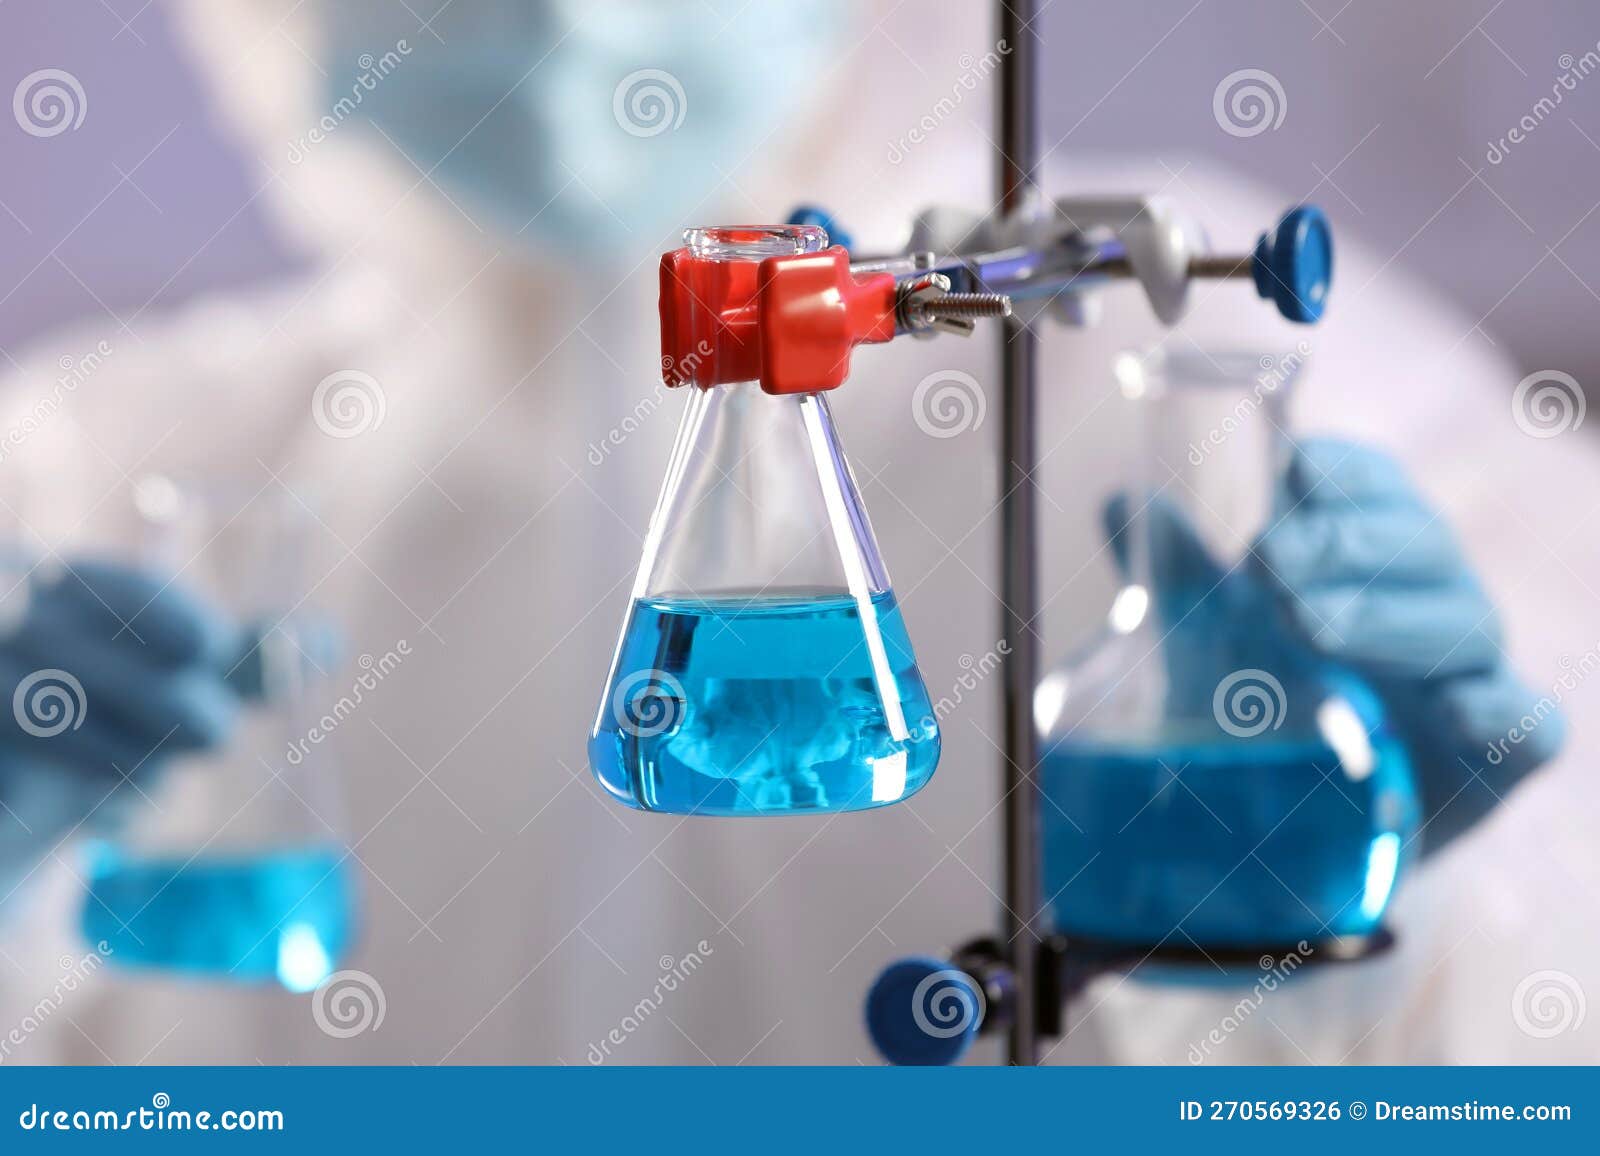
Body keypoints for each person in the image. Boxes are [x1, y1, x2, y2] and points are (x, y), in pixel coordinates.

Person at [0, 0, 1590, 1066]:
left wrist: (1415, 907)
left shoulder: (1195, 389)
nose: (566, 17)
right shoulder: (115, 461)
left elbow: (1531, 1034)